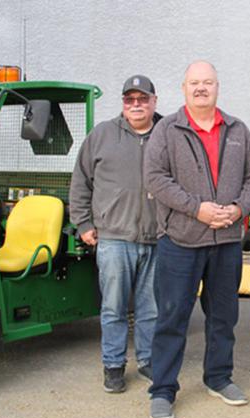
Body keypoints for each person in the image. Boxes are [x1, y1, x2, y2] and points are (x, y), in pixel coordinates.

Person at [144, 60, 250, 418]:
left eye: (207, 82)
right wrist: (197, 209)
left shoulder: (238, 129)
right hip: (181, 242)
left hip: (227, 240)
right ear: (184, 88)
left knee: (224, 316)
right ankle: (163, 390)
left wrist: (237, 208)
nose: (201, 88)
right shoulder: (167, 129)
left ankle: (218, 378)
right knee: (172, 317)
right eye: (194, 82)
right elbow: (155, 178)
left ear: (217, 87)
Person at [69, 75, 161, 394]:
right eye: (129, 100)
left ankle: (148, 360)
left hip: (158, 238)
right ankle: (113, 365)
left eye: (142, 99)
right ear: (123, 103)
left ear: (154, 101)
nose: (136, 105)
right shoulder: (102, 135)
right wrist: (82, 224)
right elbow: (81, 181)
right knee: (113, 308)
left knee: (151, 308)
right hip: (114, 238)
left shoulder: (167, 134)